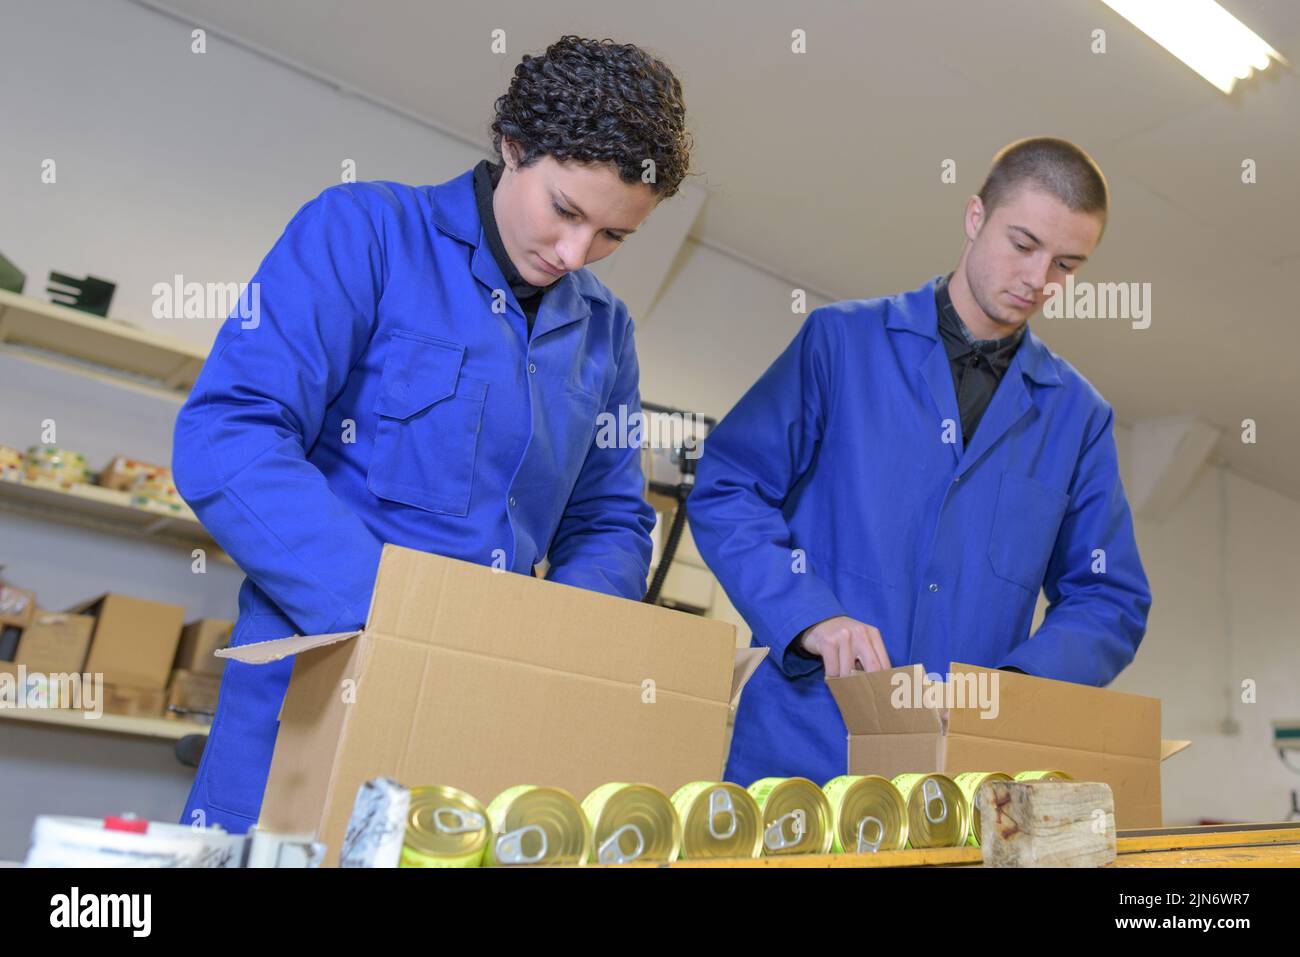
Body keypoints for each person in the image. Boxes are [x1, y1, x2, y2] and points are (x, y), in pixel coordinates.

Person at [174, 35, 693, 832]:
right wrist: (397, 623)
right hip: (318, 684)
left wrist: (536, 651)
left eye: (613, 237)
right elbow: (229, 435)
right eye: (565, 211)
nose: (574, 253)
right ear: (513, 145)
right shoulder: (363, 233)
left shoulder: (607, 333)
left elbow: (611, 520)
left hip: (483, 721)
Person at [687, 137, 1151, 786]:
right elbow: (728, 487)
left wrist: (1019, 687)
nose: (1038, 280)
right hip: (800, 749)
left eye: (1066, 264)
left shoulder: (1078, 417)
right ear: (974, 217)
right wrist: (808, 614)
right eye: (1023, 244)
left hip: (958, 773)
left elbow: (1109, 594)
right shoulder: (841, 343)